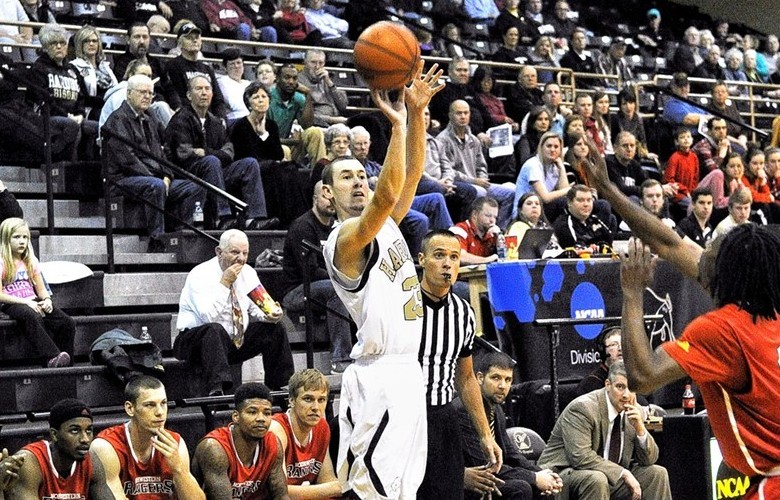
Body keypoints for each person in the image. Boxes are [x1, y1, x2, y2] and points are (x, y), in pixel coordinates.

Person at [580, 144, 780, 500]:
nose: (701, 258)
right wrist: (608, 190)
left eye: (712, 256)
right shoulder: (767, 309)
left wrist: (632, 293)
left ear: (726, 275)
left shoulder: (723, 329)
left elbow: (642, 376)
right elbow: (668, 243)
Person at [320, 62, 452, 498]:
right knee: (370, 488)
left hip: (408, 373)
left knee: (403, 488)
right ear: (327, 194)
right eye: (346, 176)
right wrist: (396, 124)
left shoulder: (387, 225)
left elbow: (410, 174)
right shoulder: (344, 239)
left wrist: (415, 114)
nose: (358, 181)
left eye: (361, 173)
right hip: (376, 376)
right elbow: (387, 194)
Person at [416, 229, 502, 498]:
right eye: (439, 255)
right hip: (405, 415)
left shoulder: (463, 311)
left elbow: (465, 379)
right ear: (421, 260)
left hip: (442, 417)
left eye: (454, 257)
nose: (447, 264)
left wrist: (486, 435)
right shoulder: (401, 305)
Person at [175, 229, 294, 395]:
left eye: (245, 253)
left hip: (233, 341)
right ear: (219, 252)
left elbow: (258, 308)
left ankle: (280, 386)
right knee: (214, 329)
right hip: (195, 341)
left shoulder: (248, 273)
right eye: (235, 252)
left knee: (275, 329)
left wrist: (271, 315)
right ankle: (218, 390)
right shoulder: (199, 274)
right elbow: (208, 316)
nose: (241, 258)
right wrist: (225, 283)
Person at [102, 74, 206, 253]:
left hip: (152, 178)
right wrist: (157, 178)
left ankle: (184, 233)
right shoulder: (118, 119)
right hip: (121, 180)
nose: (147, 97)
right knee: (155, 185)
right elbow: (128, 161)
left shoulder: (150, 119)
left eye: (150, 93)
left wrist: (167, 176)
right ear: (129, 94)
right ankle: (157, 239)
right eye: (142, 92)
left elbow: (162, 154)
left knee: (195, 187)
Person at [537, 361, 671, 499]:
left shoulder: (634, 410)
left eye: (630, 388)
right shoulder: (583, 408)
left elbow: (649, 460)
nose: (626, 395)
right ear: (608, 385)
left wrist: (640, 429)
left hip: (607, 475)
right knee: (597, 479)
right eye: (620, 387)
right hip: (562, 476)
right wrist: (623, 473)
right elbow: (580, 457)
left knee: (657, 473)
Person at [165, 75, 279, 231]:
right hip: (188, 173)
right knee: (212, 161)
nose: (204, 93)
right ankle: (222, 217)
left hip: (216, 171)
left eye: (207, 89)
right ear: (189, 95)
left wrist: (204, 152)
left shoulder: (216, 122)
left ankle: (254, 218)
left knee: (249, 163)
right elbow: (183, 154)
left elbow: (229, 153)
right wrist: (211, 155)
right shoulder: (180, 119)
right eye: (199, 89)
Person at [457, 351, 562, 499]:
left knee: (544, 488)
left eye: (508, 380)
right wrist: (534, 477)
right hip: (466, 482)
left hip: (488, 477)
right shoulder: (465, 410)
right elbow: (484, 465)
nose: (502, 386)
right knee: (521, 488)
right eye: (496, 378)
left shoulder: (496, 409)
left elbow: (511, 454)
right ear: (479, 378)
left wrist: (542, 474)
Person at [279, 181, 352, 375]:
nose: (330, 200)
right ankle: (340, 358)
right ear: (315, 199)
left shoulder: (336, 228)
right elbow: (309, 271)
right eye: (325, 196)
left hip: (324, 286)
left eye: (333, 197)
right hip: (296, 290)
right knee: (338, 288)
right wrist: (342, 277)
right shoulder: (302, 226)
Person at [91, 376, 205, 499]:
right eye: (150, 405)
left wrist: (179, 471)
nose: (160, 412)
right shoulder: (106, 446)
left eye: (163, 403)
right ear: (130, 408)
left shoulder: (175, 443)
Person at [230, 81, 309, 227]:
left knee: (291, 169)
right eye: (256, 97)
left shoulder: (271, 125)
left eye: (264, 96)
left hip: (270, 166)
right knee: (279, 170)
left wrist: (264, 134)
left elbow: (278, 154)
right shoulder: (241, 125)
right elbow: (248, 154)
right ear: (248, 103)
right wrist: (260, 136)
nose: (261, 100)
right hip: (250, 168)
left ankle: (297, 219)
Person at [193, 382, 289, 499]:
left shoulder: (273, 444)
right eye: (252, 412)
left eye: (267, 413)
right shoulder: (214, 448)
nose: (261, 419)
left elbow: (281, 496)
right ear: (236, 417)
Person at [0, 218, 74, 368]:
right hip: (11, 302)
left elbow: (41, 289)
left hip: (33, 299)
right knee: (31, 315)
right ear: (6, 239)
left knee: (67, 322)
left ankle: (65, 363)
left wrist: (46, 299)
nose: (22, 241)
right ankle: (51, 357)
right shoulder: (1, 262)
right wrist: (26, 302)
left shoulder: (30, 261)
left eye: (25, 237)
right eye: (16, 237)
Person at [6, 399, 114, 499]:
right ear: (54, 435)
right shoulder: (30, 462)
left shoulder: (91, 461)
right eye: (75, 430)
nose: (85, 439)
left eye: (89, 430)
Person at [437, 100, 515, 228]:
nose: (463, 116)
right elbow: (448, 171)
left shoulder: (474, 139)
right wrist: (474, 180)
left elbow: (481, 166)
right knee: (479, 192)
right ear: (450, 115)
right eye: (458, 113)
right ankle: (473, 232)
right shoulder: (443, 140)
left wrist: (482, 178)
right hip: (458, 184)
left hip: (477, 182)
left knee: (511, 192)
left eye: (466, 113)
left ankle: (499, 231)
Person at [26, 24, 97, 161]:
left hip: (73, 118)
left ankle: (89, 169)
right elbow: (42, 100)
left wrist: (80, 114)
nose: (59, 46)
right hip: (46, 118)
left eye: (62, 43)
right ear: (46, 47)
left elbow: (81, 98)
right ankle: (67, 167)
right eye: (54, 43)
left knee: (98, 128)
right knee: (71, 126)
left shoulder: (72, 70)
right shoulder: (39, 69)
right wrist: (67, 115)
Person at [268, 370, 340, 498]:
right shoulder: (276, 430)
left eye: (321, 400)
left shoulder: (321, 427)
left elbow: (327, 479)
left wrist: (337, 487)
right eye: (308, 399)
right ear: (292, 400)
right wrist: (341, 486)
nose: (316, 407)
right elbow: (280, 492)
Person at [267, 63, 326, 169]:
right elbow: (267, 139)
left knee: (315, 132)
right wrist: (294, 141)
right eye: (287, 78)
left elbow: (307, 125)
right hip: (269, 150)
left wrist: (308, 95)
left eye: (294, 78)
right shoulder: (268, 98)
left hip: (289, 145)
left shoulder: (298, 98)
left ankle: (318, 176)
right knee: (283, 149)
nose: (291, 82)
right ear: (277, 78)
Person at [164, 22, 228, 117]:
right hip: (187, 117)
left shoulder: (207, 68)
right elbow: (175, 95)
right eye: (189, 38)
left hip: (210, 118)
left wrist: (221, 118)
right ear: (180, 43)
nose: (194, 41)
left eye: (197, 38)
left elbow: (218, 99)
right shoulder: (173, 65)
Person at [514, 131, 570, 222]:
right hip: (523, 213)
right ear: (541, 147)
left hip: (541, 209)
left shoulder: (555, 166)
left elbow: (564, 193)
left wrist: (562, 168)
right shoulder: (532, 165)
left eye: (556, 147)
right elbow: (546, 198)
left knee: (565, 202)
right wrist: (568, 190)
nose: (552, 150)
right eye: (549, 146)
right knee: (562, 203)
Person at [69, 26, 118, 121]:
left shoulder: (105, 67)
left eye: (94, 41)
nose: (91, 44)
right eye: (87, 41)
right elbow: (83, 98)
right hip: (90, 111)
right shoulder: (75, 66)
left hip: (111, 106)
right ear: (80, 44)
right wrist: (106, 100)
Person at [296, 49, 348, 128]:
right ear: (305, 63)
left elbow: (343, 105)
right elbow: (303, 115)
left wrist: (329, 83)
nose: (317, 66)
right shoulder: (299, 81)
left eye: (321, 63)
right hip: (315, 125)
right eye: (313, 62)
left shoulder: (327, 79)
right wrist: (332, 120)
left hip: (336, 122)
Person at [553, 184, 613, 249]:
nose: (586, 204)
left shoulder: (596, 220)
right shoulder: (564, 225)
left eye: (589, 200)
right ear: (569, 203)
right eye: (580, 200)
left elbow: (608, 244)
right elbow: (577, 249)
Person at [450, 197, 501, 265]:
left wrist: (500, 238)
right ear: (475, 214)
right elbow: (459, 256)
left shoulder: (493, 233)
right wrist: (488, 260)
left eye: (495, 217)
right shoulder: (459, 230)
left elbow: (506, 259)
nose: (492, 220)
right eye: (488, 216)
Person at [576, 326, 623, 396]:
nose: (620, 348)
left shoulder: (635, 377)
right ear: (603, 351)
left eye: (624, 343)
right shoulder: (590, 384)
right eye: (613, 344)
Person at [663, 127, 698, 214]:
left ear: (692, 140)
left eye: (688, 137)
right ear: (676, 142)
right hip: (677, 194)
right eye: (682, 137)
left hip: (690, 193)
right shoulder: (674, 157)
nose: (686, 139)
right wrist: (684, 190)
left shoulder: (694, 157)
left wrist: (692, 192)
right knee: (693, 207)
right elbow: (669, 180)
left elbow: (695, 178)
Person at [216, 48, 251, 124]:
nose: (236, 66)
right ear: (225, 67)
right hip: (234, 121)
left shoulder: (248, 84)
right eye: (232, 64)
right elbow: (234, 105)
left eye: (239, 63)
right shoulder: (221, 82)